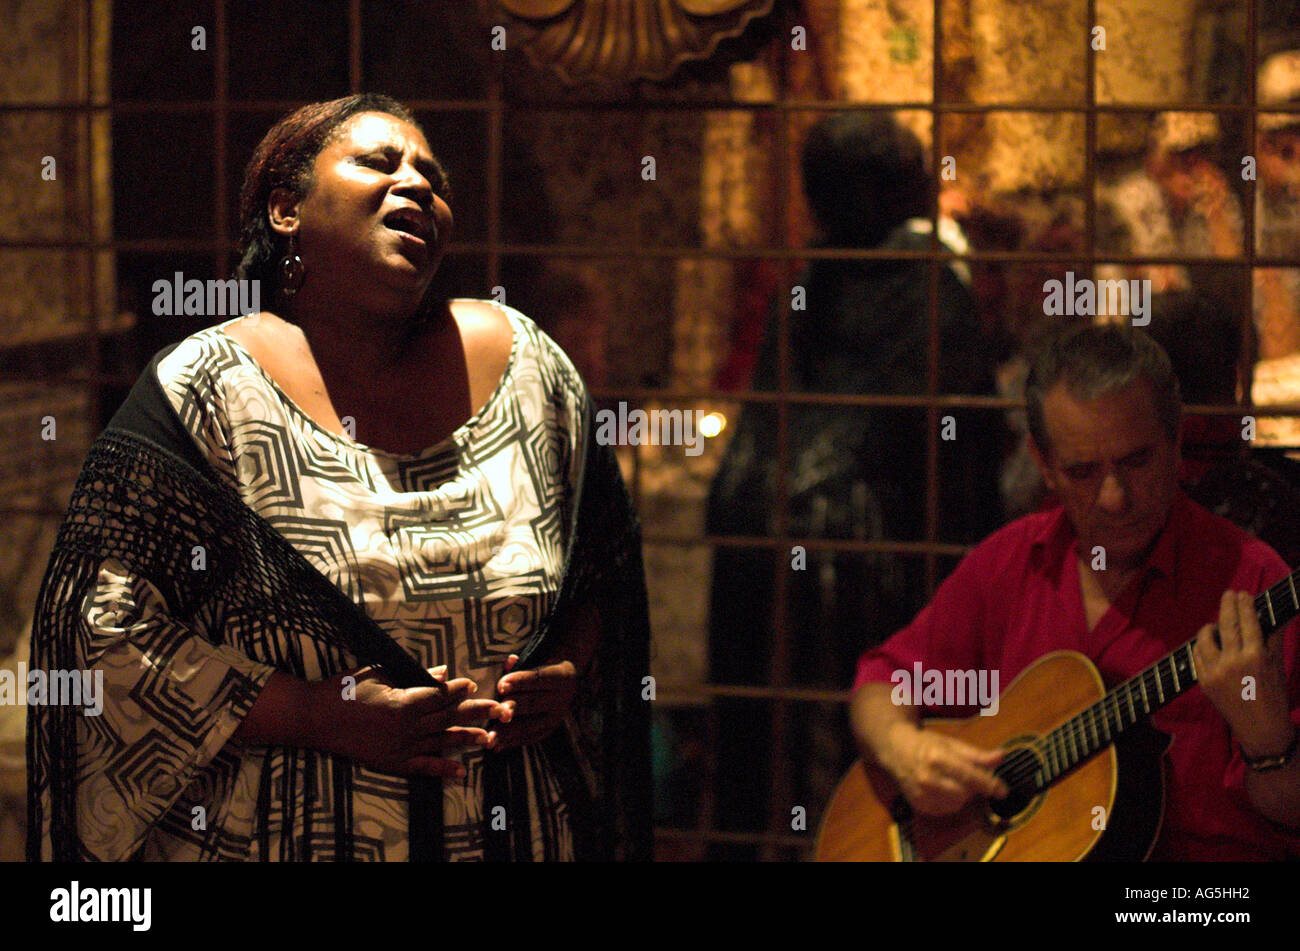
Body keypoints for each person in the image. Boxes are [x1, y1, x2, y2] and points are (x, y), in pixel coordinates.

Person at [27, 94, 651, 861]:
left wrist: (569, 670)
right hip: (291, 832)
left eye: (433, 176)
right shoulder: (211, 387)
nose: (418, 184)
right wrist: (317, 713)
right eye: (379, 163)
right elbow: (98, 633)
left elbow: (605, 568)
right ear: (285, 208)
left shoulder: (527, 367)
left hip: (514, 827)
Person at [849, 323, 1300, 860]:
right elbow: (882, 683)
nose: (1113, 498)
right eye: (1083, 472)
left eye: (1136, 461)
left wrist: (1268, 741)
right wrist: (905, 750)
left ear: (1176, 441)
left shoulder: (1252, 584)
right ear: (1044, 465)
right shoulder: (1012, 562)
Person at [706, 112, 1004, 856]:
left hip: (757, 536)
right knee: (850, 779)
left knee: (765, 767)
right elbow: (966, 458)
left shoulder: (806, 287)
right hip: (869, 555)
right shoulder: (932, 290)